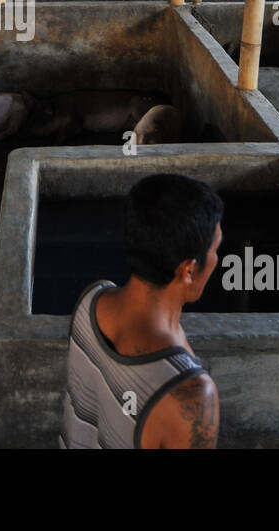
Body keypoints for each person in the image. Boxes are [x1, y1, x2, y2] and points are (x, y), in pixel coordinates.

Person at [60, 174, 223, 449]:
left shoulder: (91, 301)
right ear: (188, 270)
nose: (217, 260)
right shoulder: (190, 396)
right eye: (216, 249)